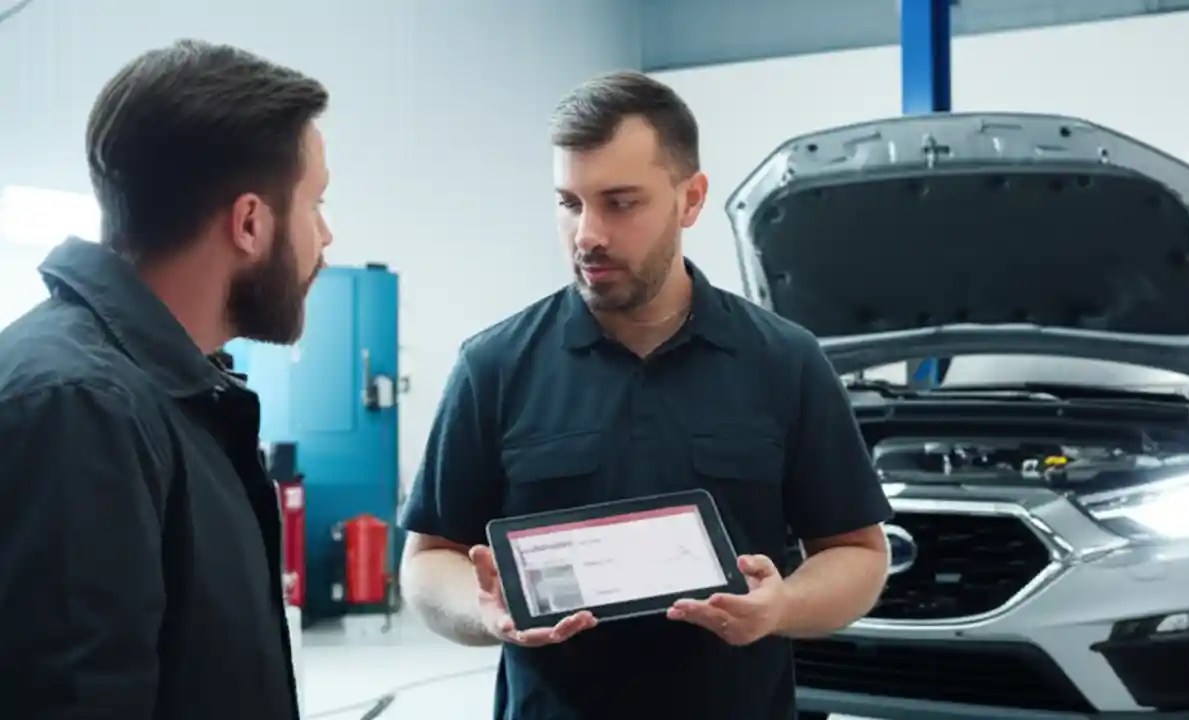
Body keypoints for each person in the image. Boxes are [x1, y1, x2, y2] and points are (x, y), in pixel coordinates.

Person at [399, 70, 892, 720]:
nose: (587, 234)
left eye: (620, 203)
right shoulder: (493, 366)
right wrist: (484, 609)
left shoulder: (784, 362)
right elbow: (429, 562)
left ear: (691, 199)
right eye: (569, 203)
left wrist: (783, 607)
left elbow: (857, 553)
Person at [0, 39, 331, 719]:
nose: (325, 236)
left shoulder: (165, 392)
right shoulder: (82, 407)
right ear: (250, 222)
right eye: (316, 204)